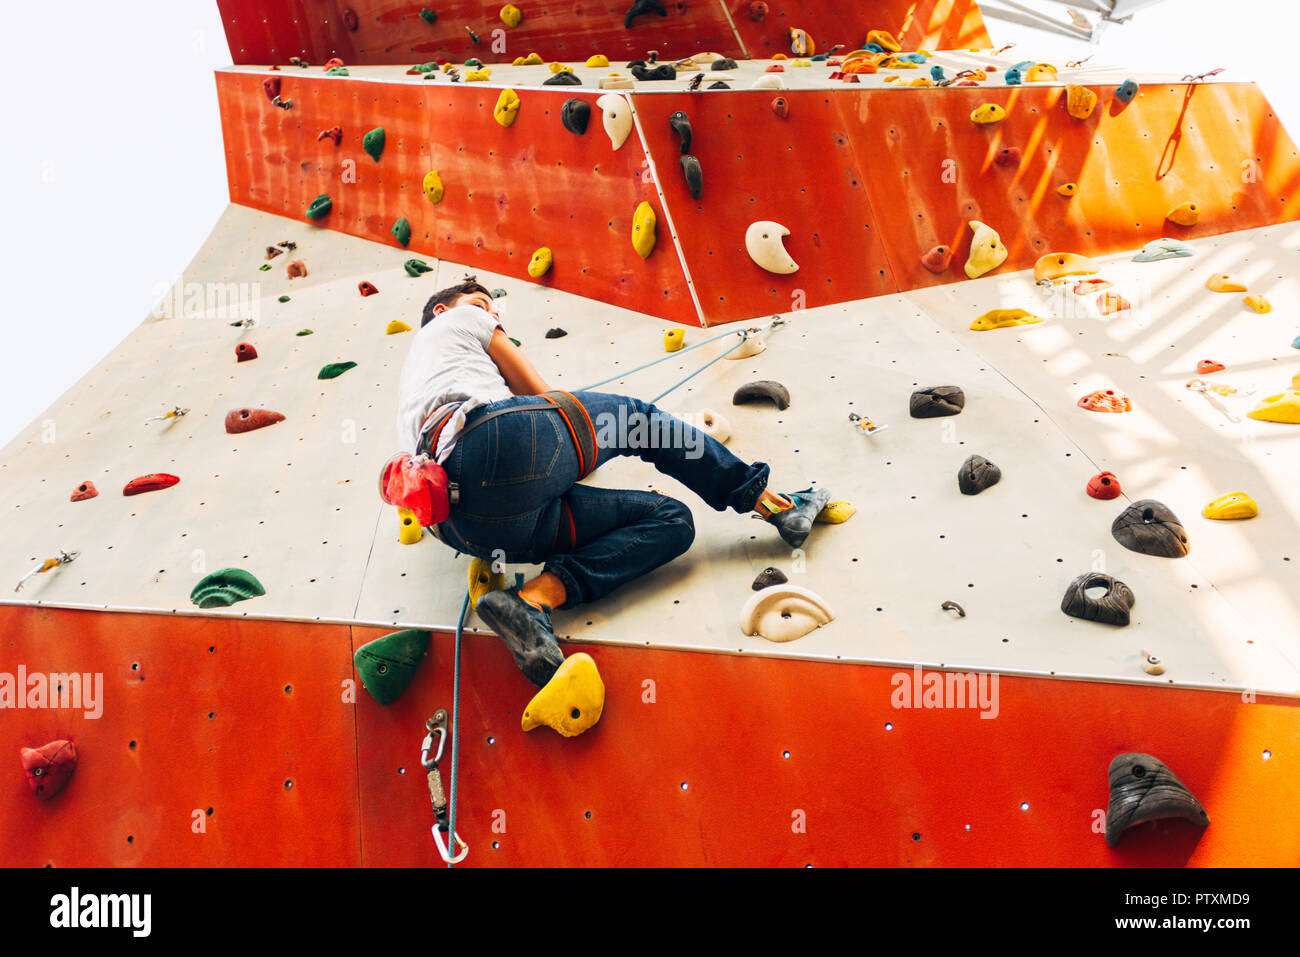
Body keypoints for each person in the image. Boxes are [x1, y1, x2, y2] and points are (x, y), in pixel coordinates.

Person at [395, 279, 831, 692]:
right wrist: (577, 444)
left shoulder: (412, 396)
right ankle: (773, 503)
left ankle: (532, 600)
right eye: (481, 304)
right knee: (636, 419)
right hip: (494, 442)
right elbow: (542, 395)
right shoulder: (461, 320)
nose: (492, 315)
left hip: (465, 528)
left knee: (671, 520)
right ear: (442, 310)